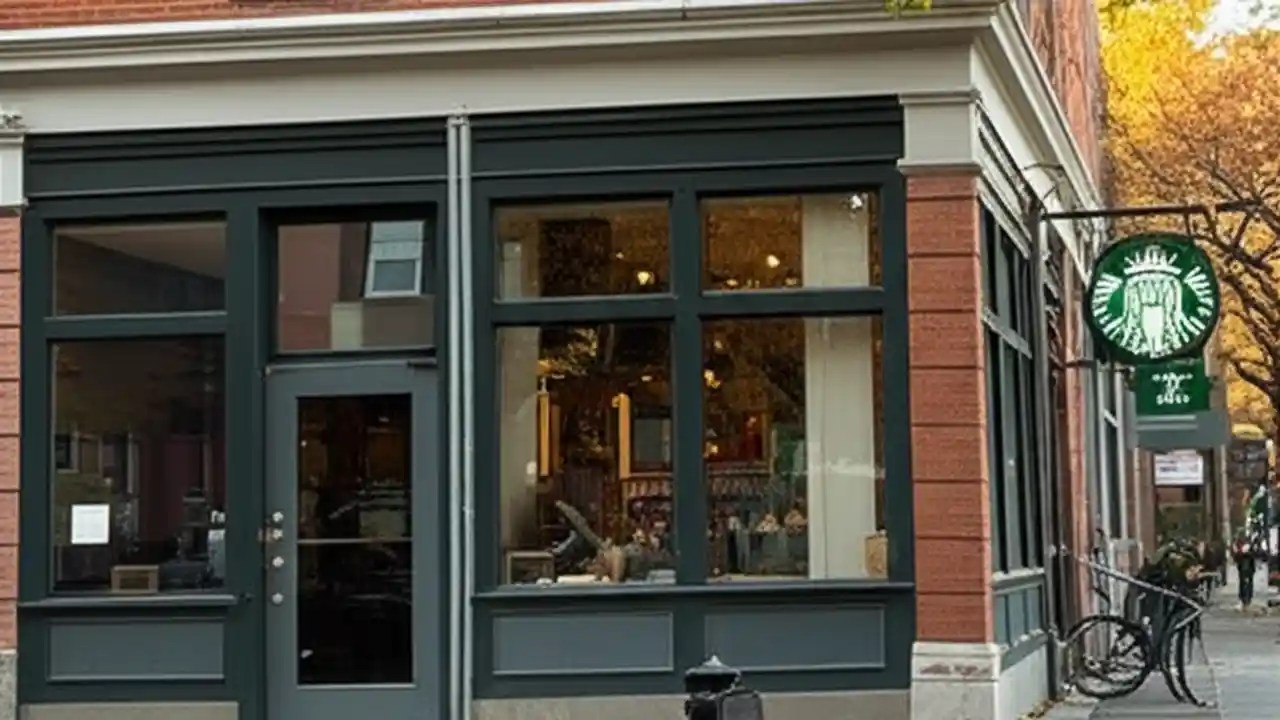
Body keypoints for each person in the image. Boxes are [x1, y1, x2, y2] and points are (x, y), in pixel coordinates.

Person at [1232, 530, 1258, 609]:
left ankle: (1246, 599)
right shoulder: (1241, 546)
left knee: (1246, 583)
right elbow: (1237, 557)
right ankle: (1245, 599)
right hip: (1244, 568)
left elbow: (1254, 554)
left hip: (1247, 568)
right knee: (1245, 583)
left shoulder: (1249, 546)